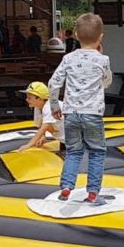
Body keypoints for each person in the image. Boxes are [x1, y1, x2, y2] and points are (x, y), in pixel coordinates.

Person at [49, 13, 113, 205]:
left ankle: (67, 186)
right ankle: (93, 191)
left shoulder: (68, 58)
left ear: (76, 34)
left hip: (71, 114)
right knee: (96, 152)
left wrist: (54, 105)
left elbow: (54, 83)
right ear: (101, 37)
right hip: (92, 114)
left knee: (73, 151)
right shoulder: (103, 60)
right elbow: (107, 82)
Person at [17, 81, 62, 151]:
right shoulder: (38, 107)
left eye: (29, 98)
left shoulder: (50, 108)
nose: (26, 100)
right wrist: (43, 136)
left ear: (40, 99)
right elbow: (41, 124)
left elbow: (43, 128)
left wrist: (29, 145)